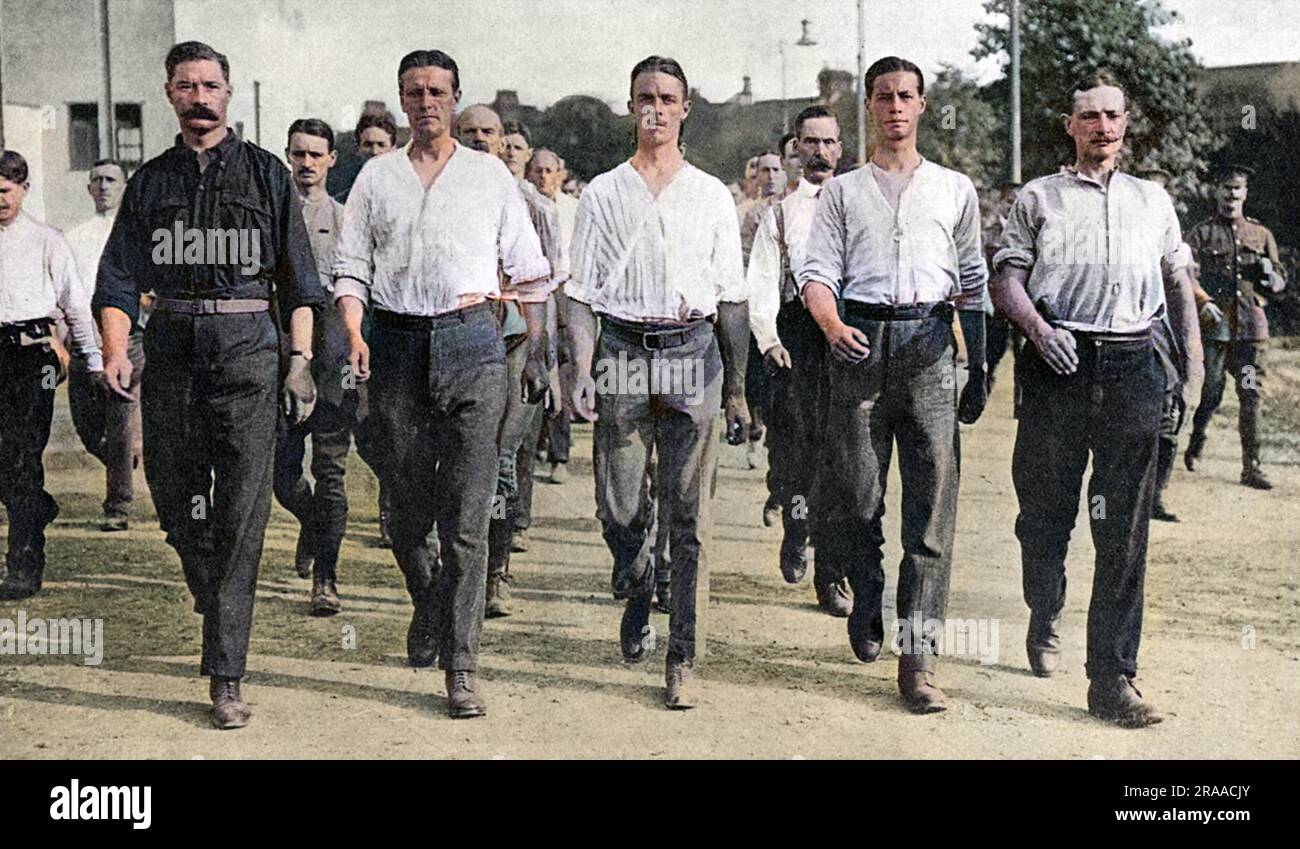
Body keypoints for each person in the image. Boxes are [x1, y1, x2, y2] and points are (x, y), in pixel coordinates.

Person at [94, 41, 323, 729]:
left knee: (242, 515)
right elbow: (117, 280)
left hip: (249, 352)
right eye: (187, 86)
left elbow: (301, 283)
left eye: (212, 85)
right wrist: (113, 349)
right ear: (169, 93)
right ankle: (211, 588)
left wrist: (301, 359)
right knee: (176, 498)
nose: (201, 97)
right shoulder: (151, 183)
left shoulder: (265, 177)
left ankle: (226, 673)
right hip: (173, 353)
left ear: (228, 94)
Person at [332, 49, 553, 718]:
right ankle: (428, 596)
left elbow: (530, 271)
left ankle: (461, 665)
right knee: (404, 509)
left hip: (472, 343)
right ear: (401, 100)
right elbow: (350, 270)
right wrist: (354, 330)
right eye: (414, 91)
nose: (426, 101)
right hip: (395, 347)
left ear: (455, 98)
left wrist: (535, 347)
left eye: (437, 91)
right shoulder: (376, 177)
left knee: (466, 515)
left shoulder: (490, 178)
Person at [989, 72, 1203, 728]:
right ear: (1071, 126)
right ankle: (1044, 602)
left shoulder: (1152, 200)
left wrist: (1190, 367)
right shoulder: (1040, 197)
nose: (1103, 128)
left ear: (1126, 124)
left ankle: (1112, 677)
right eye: (1090, 117)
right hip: (1061, 366)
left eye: (1113, 116)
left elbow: (1177, 282)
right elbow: (1005, 279)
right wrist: (1039, 330)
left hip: (1134, 365)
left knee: (1124, 531)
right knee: (1045, 516)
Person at [798, 56, 988, 714]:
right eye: (884, 97)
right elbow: (816, 273)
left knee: (932, 508)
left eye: (907, 96)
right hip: (858, 346)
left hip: (930, 346)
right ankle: (867, 592)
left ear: (922, 105)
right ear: (870, 108)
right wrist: (829, 322)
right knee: (855, 496)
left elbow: (971, 282)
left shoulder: (954, 189)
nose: (896, 107)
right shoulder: (844, 192)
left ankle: (919, 659)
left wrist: (979, 366)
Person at [566, 55, 750, 709]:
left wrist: (735, 390)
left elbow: (731, 297)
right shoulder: (602, 192)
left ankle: (682, 655)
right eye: (645, 96)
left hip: (692, 348)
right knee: (617, 506)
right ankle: (639, 573)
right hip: (621, 348)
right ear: (630, 105)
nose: (657, 108)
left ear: (685, 108)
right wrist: (582, 370)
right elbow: (580, 294)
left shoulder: (709, 194)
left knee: (690, 515)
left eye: (668, 97)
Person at [454, 106, 566, 617]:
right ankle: (455, 571)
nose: (479, 140)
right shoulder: (442, 196)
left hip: (515, 344)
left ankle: (496, 571)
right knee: (455, 465)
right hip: (456, 344)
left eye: (488, 133)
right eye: (468, 132)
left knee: (500, 462)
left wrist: (546, 359)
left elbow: (549, 286)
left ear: (504, 142)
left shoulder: (531, 206)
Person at [746, 105, 851, 616]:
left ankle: (833, 572)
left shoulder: (858, 203)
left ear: (840, 148)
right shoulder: (781, 215)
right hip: (797, 340)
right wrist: (768, 338)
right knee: (796, 451)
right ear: (796, 150)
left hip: (848, 338)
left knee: (846, 457)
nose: (820, 152)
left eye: (829, 142)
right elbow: (763, 283)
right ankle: (796, 528)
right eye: (810, 142)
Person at [0, 150, 103, 600]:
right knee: (9, 465)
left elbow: (76, 305)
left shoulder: (47, 241)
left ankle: (24, 564)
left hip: (34, 357)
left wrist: (94, 361)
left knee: (23, 456)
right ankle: (38, 506)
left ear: (23, 189)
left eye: (5, 190)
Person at [273, 118, 355, 614]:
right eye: (298, 154)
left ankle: (327, 576)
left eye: (315, 155)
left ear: (331, 160)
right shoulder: (271, 216)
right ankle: (310, 522)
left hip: (332, 354)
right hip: (281, 346)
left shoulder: (345, 220)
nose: (306, 164)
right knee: (282, 474)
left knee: (331, 472)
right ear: (288, 156)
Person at [1184, 163, 1287, 490]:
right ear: (1216, 191)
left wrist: (1273, 278)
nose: (1231, 195)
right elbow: (1186, 278)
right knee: (1210, 392)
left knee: (1250, 395)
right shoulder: (1201, 233)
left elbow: (1280, 279)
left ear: (1245, 194)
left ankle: (1251, 467)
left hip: (1249, 331)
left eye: (1237, 189)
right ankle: (1198, 437)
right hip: (1215, 330)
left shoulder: (1261, 234)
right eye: (1226, 188)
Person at [64, 159, 148, 532]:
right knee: (86, 426)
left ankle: (118, 506)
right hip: (85, 340)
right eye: (96, 179)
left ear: (124, 186)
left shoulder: (138, 233)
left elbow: (151, 286)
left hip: (128, 340)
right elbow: (66, 290)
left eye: (111, 180)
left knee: (118, 423)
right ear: (87, 188)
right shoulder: (74, 236)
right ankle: (125, 457)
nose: (103, 186)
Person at [327, 109, 397, 203]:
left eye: (381, 145)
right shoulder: (342, 203)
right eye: (368, 145)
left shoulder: (407, 199)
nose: (374, 152)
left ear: (393, 149)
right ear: (358, 149)